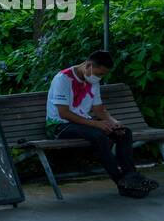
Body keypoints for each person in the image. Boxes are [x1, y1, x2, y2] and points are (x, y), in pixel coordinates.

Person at [46, 50, 156, 198]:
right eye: (99, 74)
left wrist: (114, 122)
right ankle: (122, 182)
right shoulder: (63, 78)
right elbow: (63, 113)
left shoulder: (92, 81)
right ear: (89, 65)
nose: (100, 77)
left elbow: (98, 109)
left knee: (124, 133)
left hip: (83, 123)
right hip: (60, 125)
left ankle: (131, 177)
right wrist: (96, 124)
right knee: (99, 136)